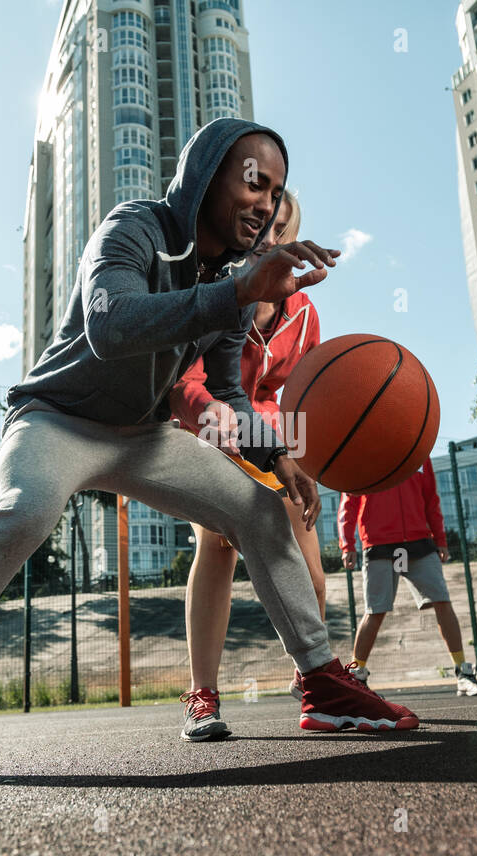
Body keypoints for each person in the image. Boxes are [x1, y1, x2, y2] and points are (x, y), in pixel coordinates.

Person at [0, 119, 419, 789]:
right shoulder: (135, 229)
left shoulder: (236, 286)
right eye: (252, 181)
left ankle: (323, 686)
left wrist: (279, 454)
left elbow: (224, 393)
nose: (265, 203)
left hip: (142, 435)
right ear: (204, 175)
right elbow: (110, 325)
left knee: (260, 510)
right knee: (25, 512)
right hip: (56, 418)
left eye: (274, 192)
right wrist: (239, 292)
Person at [168, 190, 326, 741]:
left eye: (280, 229)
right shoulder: (212, 291)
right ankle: (202, 696)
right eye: (260, 227)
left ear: (292, 238)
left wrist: (298, 459)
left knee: (310, 572)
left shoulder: (303, 314)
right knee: (216, 542)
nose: (268, 238)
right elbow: (185, 384)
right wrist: (228, 433)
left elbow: (300, 398)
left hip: (272, 434)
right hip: (206, 419)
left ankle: (315, 681)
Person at [332, 459, 477, 697]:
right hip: (380, 543)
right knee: (375, 611)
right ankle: (357, 677)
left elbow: (431, 497)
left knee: (442, 601)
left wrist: (441, 539)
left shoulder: (418, 452)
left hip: (418, 541)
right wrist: (347, 544)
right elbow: (349, 500)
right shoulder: (363, 450)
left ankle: (463, 674)